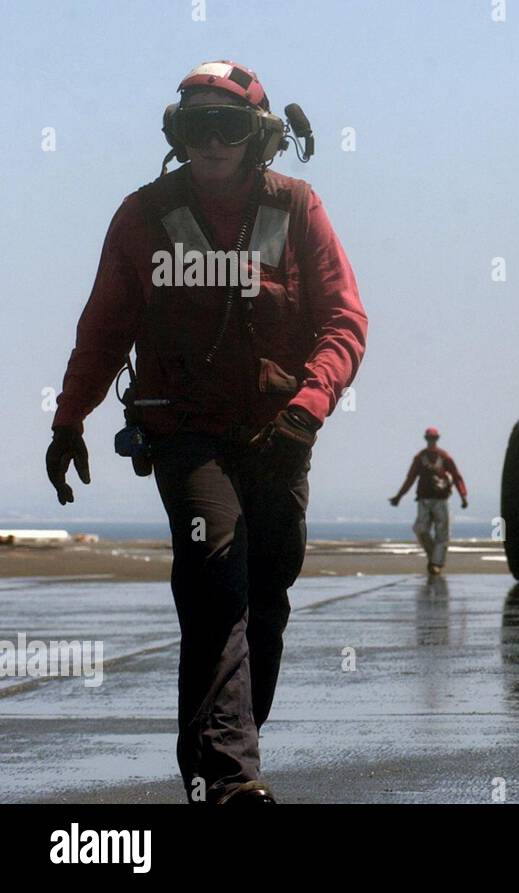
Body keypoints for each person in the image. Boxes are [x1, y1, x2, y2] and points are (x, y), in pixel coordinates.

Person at [45, 61, 367, 804]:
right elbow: (103, 330)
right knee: (216, 575)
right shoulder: (142, 216)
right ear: (176, 134)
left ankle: (210, 750)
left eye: (227, 126)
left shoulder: (299, 208)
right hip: (186, 435)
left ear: (259, 138)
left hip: (280, 431)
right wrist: (69, 419)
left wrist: (309, 406)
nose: (212, 142)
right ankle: (230, 778)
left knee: (267, 591)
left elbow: (344, 320)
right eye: (196, 127)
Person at [390, 427, 468, 575]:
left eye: (433, 438)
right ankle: (434, 557)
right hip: (423, 500)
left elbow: (456, 477)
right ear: (426, 439)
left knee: (442, 533)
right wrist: (399, 496)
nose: (431, 441)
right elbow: (411, 478)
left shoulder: (445, 457)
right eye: (429, 438)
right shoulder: (420, 457)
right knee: (421, 529)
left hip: (442, 500)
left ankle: (436, 564)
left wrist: (463, 496)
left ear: (437, 439)